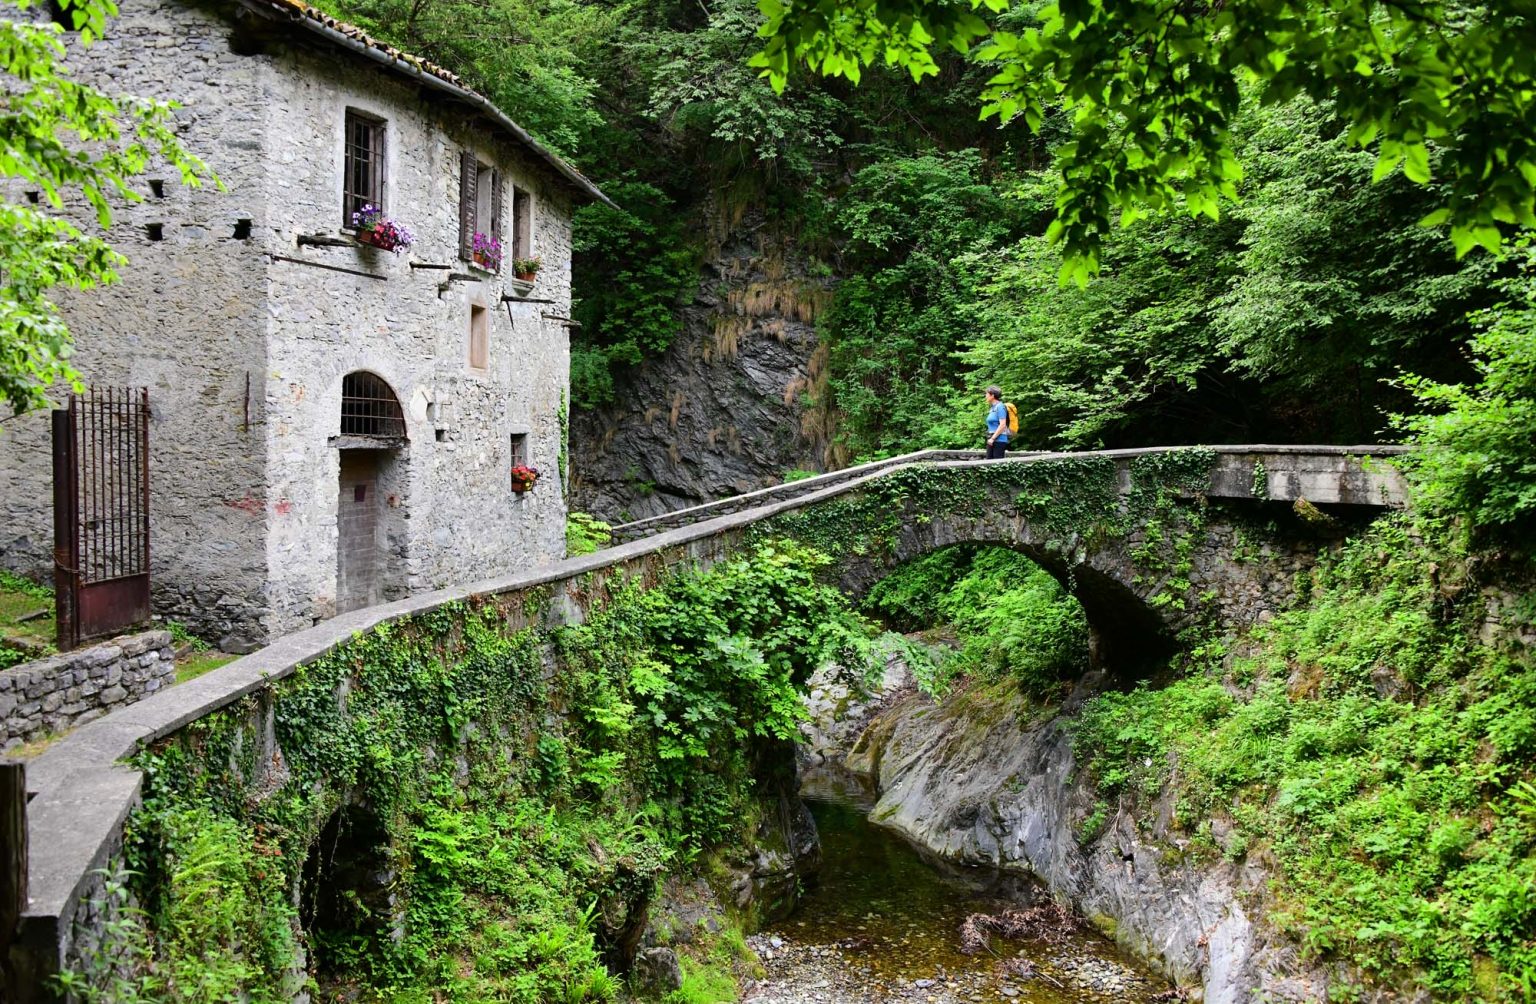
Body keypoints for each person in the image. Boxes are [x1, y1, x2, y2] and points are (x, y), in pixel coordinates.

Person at [983, 385, 1010, 459]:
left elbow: (1002, 425)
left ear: (992, 395)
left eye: (987, 394)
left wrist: (993, 438)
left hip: (999, 440)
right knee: (988, 464)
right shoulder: (992, 408)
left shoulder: (1000, 407)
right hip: (991, 439)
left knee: (996, 465)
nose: (985, 396)